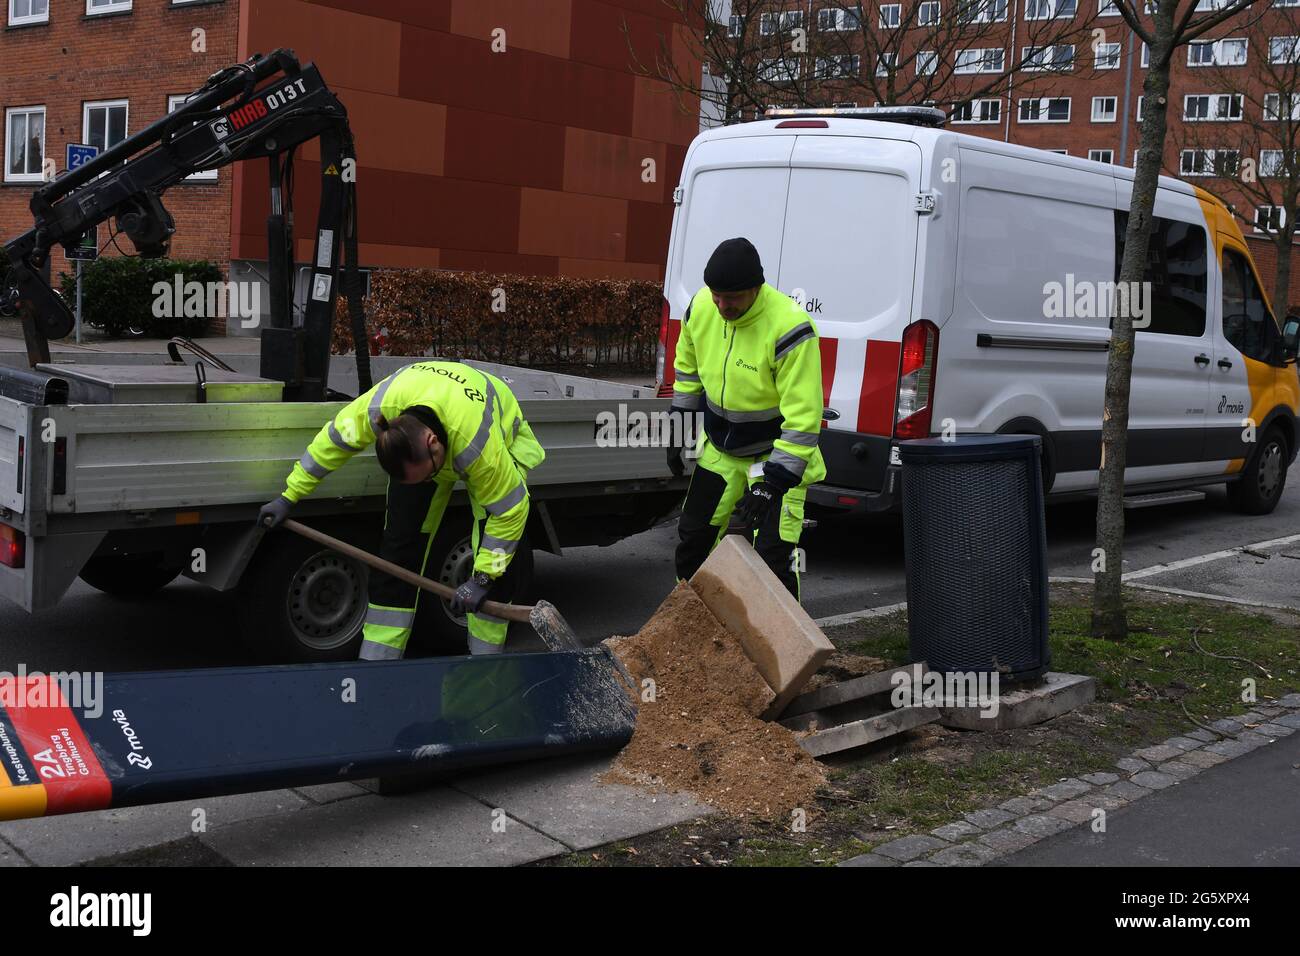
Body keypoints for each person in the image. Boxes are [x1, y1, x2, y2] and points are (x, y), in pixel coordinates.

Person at [258, 361, 544, 658]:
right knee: (398, 552)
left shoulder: (479, 447)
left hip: (484, 424)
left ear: (433, 445)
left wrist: (482, 579)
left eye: (427, 475)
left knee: (495, 559)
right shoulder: (381, 408)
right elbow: (332, 443)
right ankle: (378, 663)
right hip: (431, 436)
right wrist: (289, 496)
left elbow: (510, 510)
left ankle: (487, 668)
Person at [668, 237, 825, 599]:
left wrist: (772, 484)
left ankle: (785, 652)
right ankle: (688, 633)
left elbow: (803, 418)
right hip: (721, 452)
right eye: (717, 296)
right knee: (693, 539)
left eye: (733, 298)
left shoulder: (790, 327)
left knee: (773, 557)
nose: (723, 306)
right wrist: (680, 427)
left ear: (757, 288)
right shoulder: (701, 307)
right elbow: (688, 371)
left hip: (772, 455)